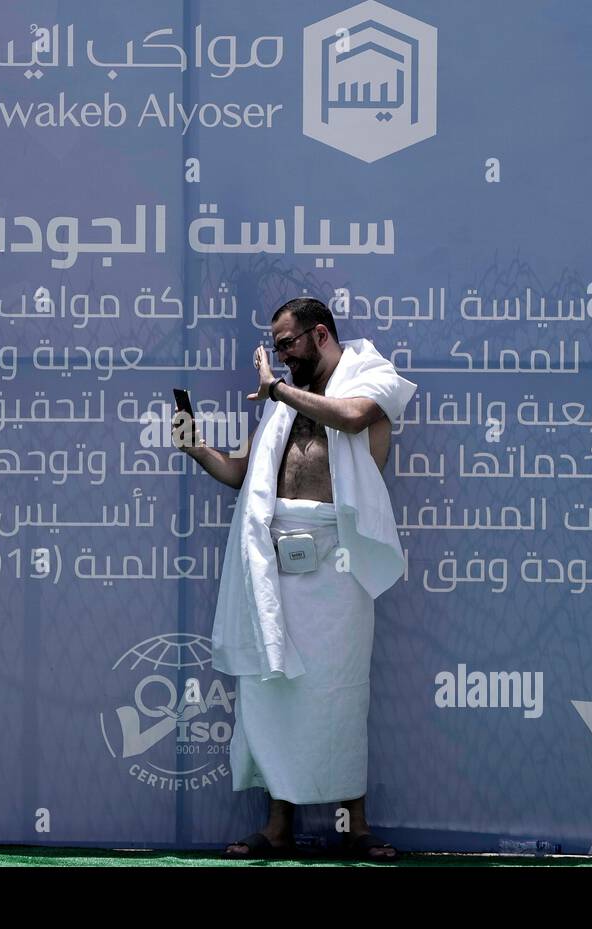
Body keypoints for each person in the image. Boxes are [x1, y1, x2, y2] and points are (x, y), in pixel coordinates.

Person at [174, 297, 417, 861]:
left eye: (286, 344)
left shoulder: (369, 376)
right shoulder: (279, 406)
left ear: (320, 334)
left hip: (338, 562)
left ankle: (355, 827)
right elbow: (244, 475)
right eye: (276, 347)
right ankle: (278, 827)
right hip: (274, 560)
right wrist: (195, 449)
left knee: (340, 692)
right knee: (272, 687)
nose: (279, 356)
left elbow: (354, 418)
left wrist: (278, 388)